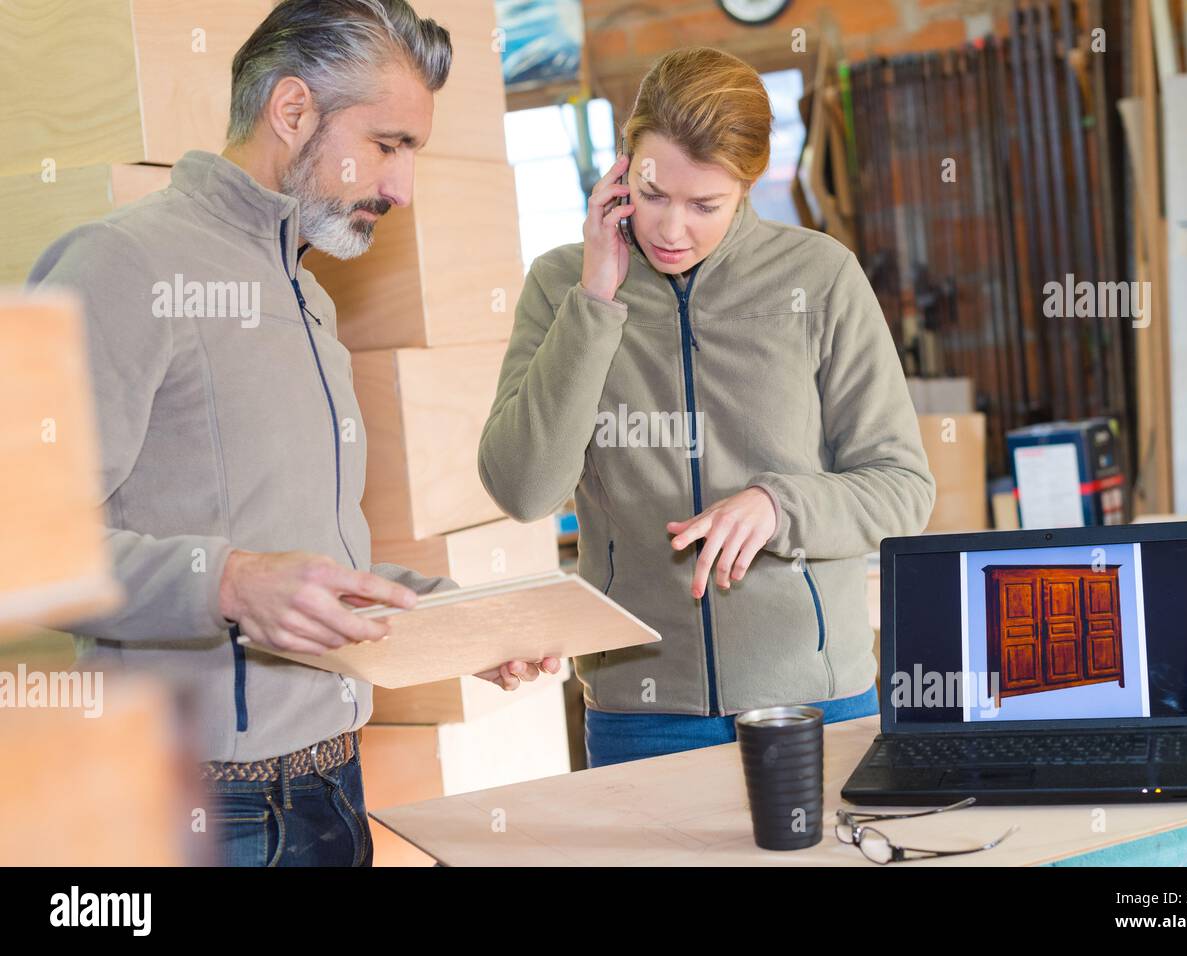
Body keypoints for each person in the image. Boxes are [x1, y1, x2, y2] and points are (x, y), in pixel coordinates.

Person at [28, 0, 557, 866]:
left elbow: (300, 564)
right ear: (293, 110)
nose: (401, 188)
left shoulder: (307, 294)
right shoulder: (122, 265)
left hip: (332, 794)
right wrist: (226, 583)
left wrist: (458, 621)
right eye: (389, 145)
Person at [479, 47, 936, 768]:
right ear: (624, 163)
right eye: (653, 193)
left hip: (817, 703)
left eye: (705, 206)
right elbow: (523, 488)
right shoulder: (562, 283)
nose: (670, 230)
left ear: (748, 185)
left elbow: (903, 490)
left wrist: (779, 507)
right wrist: (595, 302)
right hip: (641, 714)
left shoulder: (819, 278)